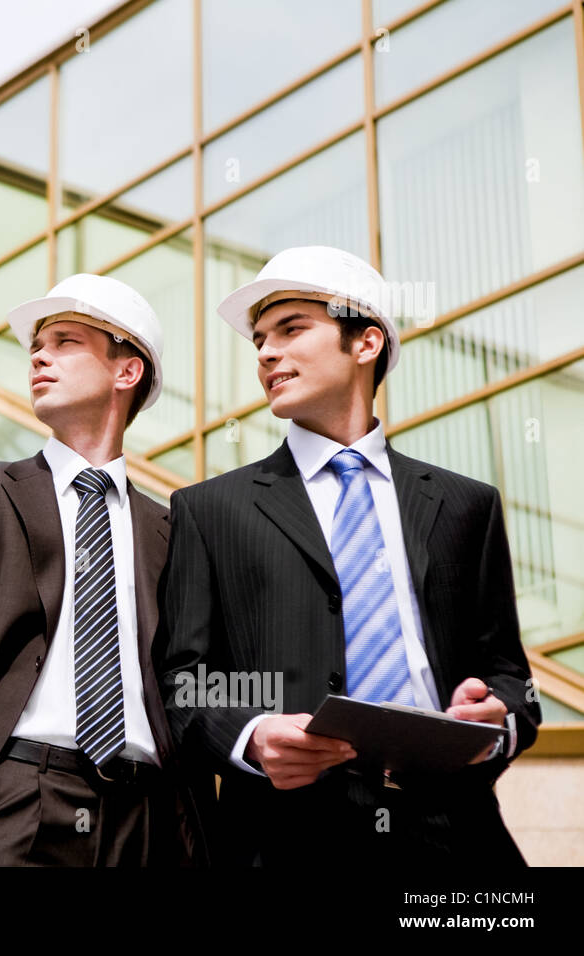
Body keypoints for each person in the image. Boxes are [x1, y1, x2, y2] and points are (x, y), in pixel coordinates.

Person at [156, 245, 540, 866]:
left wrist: (499, 720)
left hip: (453, 835)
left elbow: (511, 677)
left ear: (365, 344)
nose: (265, 353)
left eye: (291, 328)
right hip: (287, 838)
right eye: (259, 339)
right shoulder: (210, 509)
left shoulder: (468, 505)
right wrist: (251, 738)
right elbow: (182, 682)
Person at [0, 273, 208, 866]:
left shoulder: (173, 530)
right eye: (36, 346)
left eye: (64, 342)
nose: (39, 356)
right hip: (12, 802)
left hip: (150, 822)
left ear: (125, 371)